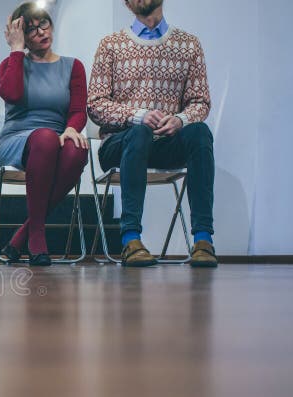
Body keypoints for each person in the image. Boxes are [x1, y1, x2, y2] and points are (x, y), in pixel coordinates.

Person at [88, 0, 217, 267]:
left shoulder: (188, 45)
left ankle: (203, 240)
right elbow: (95, 104)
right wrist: (138, 116)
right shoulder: (110, 45)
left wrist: (180, 120)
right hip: (119, 143)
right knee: (140, 132)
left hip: (165, 143)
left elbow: (200, 102)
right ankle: (130, 240)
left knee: (200, 132)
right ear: (126, 3)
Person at [0, 2, 89, 266]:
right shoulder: (10, 64)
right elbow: (12, 94)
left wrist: (71, 128)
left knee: (78, 147)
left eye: (43, 24)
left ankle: (23, 234)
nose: (40, 33)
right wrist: (16, 50)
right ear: (22, 37)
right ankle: (36, 235)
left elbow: (79, 109)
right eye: (31, 30)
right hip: (18, 139)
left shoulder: (73, 66)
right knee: (45, 137)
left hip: (57, 138)